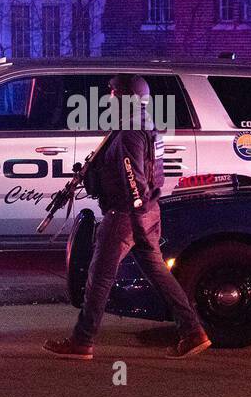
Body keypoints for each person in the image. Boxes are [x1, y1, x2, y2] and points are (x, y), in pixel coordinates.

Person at [44, 74, 212, 360]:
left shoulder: (130, 131)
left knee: (99, 277)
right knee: (158, 272)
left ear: (126, 98)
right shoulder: (143, 124)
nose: (109, 97)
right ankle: (193, 332)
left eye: (113, 92)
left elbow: (133, 177)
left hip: (126, 214)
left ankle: (82, 341)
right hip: (146, 213)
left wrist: (134, 214)